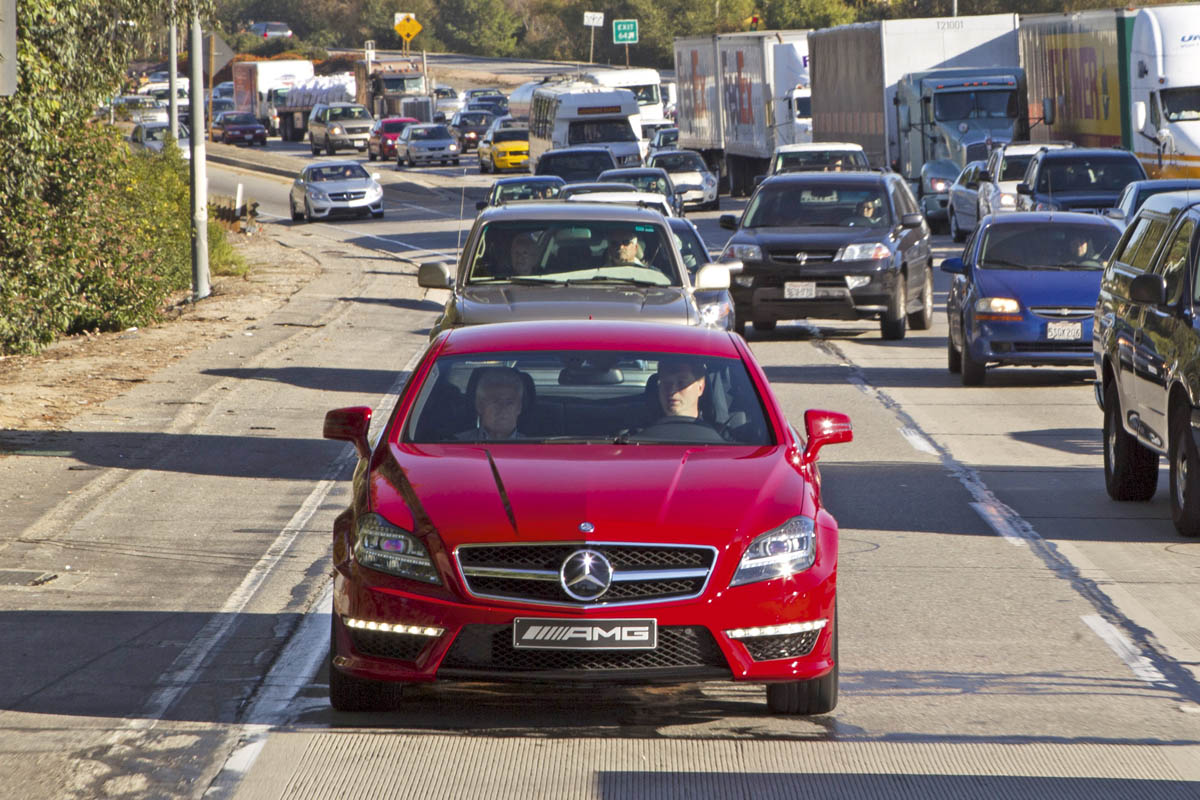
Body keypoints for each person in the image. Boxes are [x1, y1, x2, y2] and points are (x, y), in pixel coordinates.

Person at [455, 367, 525, 440]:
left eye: (509, 402)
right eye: (495, 402)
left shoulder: (533, 447)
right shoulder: (454, 445)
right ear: (479, 406)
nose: (503, 408)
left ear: (519, 407)